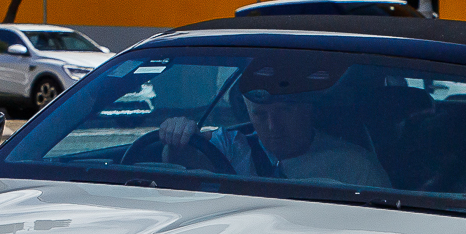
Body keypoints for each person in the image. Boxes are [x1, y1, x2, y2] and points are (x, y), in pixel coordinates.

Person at [157, 60, 389, 186]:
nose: (272, 126)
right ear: (246, 112)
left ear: (307, 109)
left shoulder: (355, 166)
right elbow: (182, 165)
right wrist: (177, 137)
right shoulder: (232, 147)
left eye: (285, 111)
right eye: (259, 114)